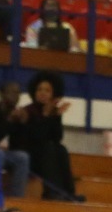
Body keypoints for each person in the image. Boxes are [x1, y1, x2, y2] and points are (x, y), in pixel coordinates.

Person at [20, 72, 78, 201]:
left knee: (61, 149)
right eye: (39, 89)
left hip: (46, 155)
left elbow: (57, 138)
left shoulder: (53, 111)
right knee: (49, 148)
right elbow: (36, 138)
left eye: (47, 90)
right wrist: (45, 116)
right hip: (30, 156)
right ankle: (51, 192)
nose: (43, 93)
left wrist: (56, 117)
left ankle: (69, 192)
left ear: (53, 94)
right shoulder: (27, 111)